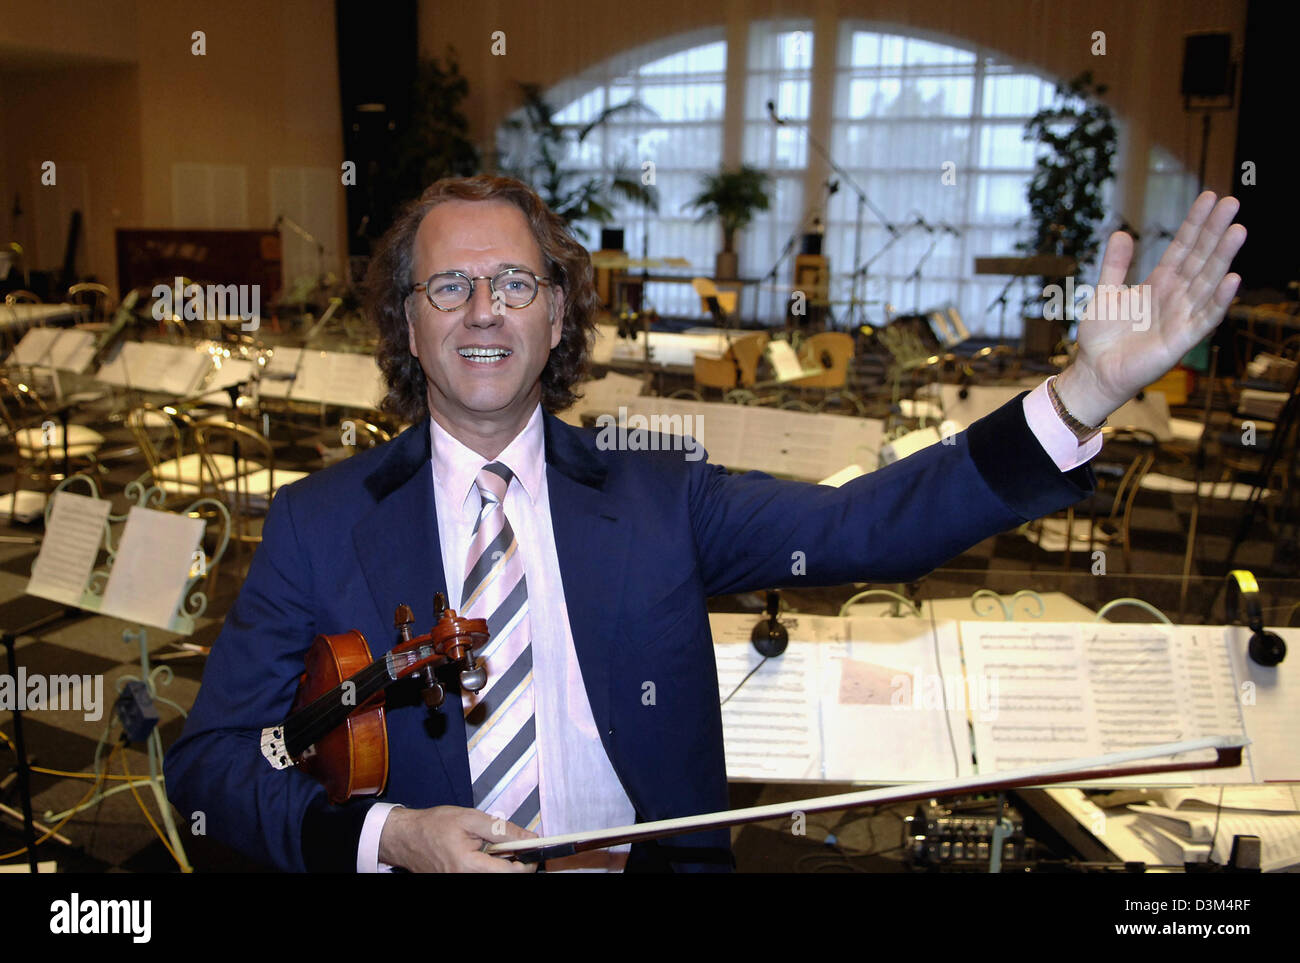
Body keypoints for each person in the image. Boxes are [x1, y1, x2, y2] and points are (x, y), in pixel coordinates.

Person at [164, 176, 1245, 873]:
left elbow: (869, 527)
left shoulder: (659, 492)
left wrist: (1081, 396)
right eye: (447, 285)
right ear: (406, 322)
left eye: (513, 282)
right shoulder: (316, 523)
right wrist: (387, 836)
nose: (482, 308)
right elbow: (207, 763)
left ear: (557, 316)